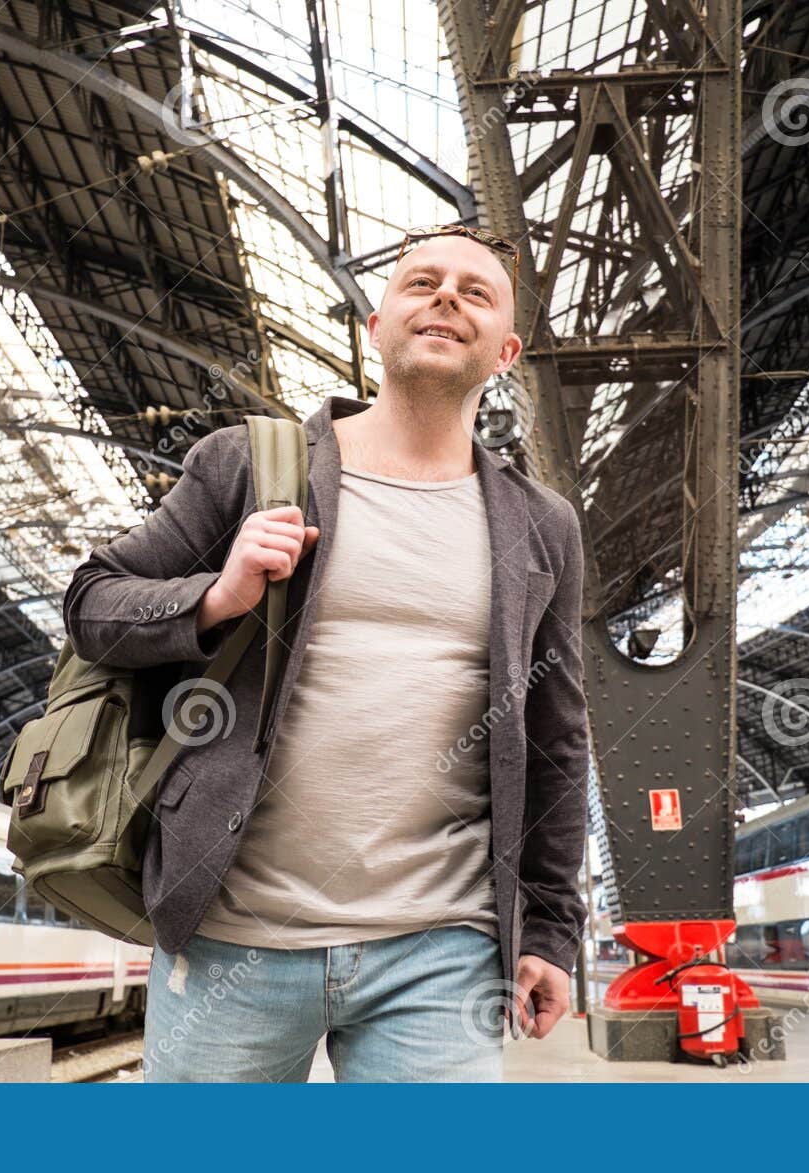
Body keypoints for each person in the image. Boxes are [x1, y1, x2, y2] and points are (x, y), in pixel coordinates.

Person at [63, 223, 590, 1082]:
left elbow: (557, 738)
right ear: (372, 329)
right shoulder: (249, 467)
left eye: (475, 290)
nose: (446, 297)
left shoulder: (542, 526)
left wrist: (553, 931)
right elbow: (91, 605)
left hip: (440, 949)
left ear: (506, 351)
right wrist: (217, 595)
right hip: (233, 932)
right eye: (421, 282)